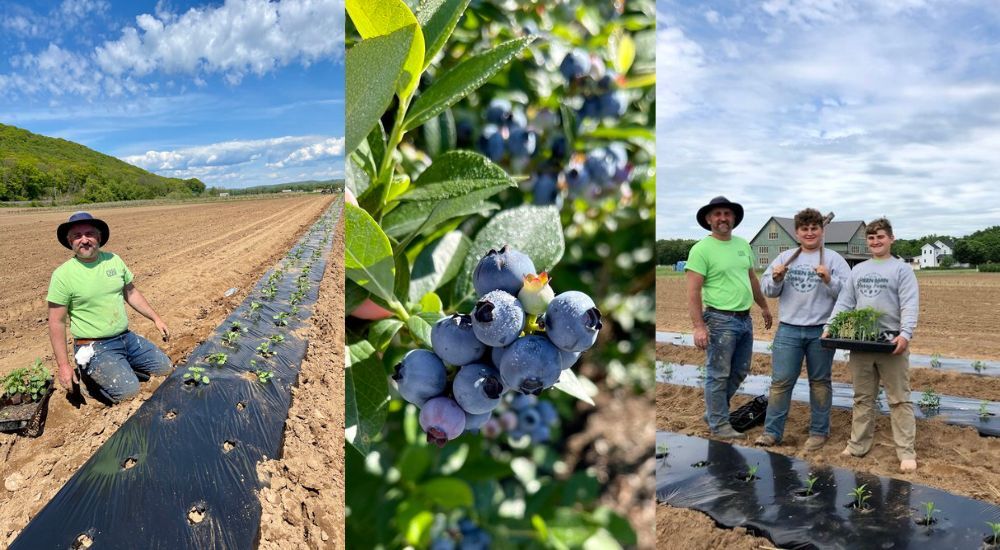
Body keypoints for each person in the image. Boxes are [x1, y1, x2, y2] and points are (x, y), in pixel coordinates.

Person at [823, 217, 919, 472]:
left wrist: (905, 334)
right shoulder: (859, 270)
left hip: (891, 341)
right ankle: (857, 445)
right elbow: (845, 302)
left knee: (899, 398)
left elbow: (909, 303)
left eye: (880, 237)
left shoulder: (902, 270)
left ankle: (906, 452)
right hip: (861, 341)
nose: (875, 242)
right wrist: (829, 327)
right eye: (871, 238)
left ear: (891, 239)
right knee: (862, 397)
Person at [47, 212, 173, 403]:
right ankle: (89, 378)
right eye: (77, 236)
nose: (84, 240)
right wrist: (63, 365)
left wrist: (156, 318)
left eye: (89, 234)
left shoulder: (114, 260)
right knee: (129, 393)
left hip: (126, 338)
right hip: (94, 346)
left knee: (166, 369)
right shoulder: (63, 275)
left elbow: (131, 293)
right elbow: (56, 322)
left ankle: (120, 365)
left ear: (98, 237)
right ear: (70, 241)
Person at [755, 208, 850, 451]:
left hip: (821, 331)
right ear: (797, 233)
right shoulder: (784, 258)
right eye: (804, 229)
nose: (809, 233)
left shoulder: (833, 259)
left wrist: (829, 279)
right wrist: (775, 279)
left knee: (820, 382)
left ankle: (819, 432)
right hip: (788, 330)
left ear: (822, 230)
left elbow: (848, 296)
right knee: (781, 383)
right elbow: (768, 290)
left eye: (814, 228)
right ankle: (772, 432)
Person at [686, 196, 773, 439]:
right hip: (719, 320)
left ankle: (714, 412)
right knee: (719, 373)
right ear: (708, 219)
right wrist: (698, 326)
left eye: (727, 214)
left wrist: (764, 307)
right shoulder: (701, 250)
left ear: (734, 218)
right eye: (717, 214)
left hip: (745, 319)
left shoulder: (743, 245)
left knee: (741, 370)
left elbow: (752, 279)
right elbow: (693, 291)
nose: (723, 218)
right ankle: (719, 424)